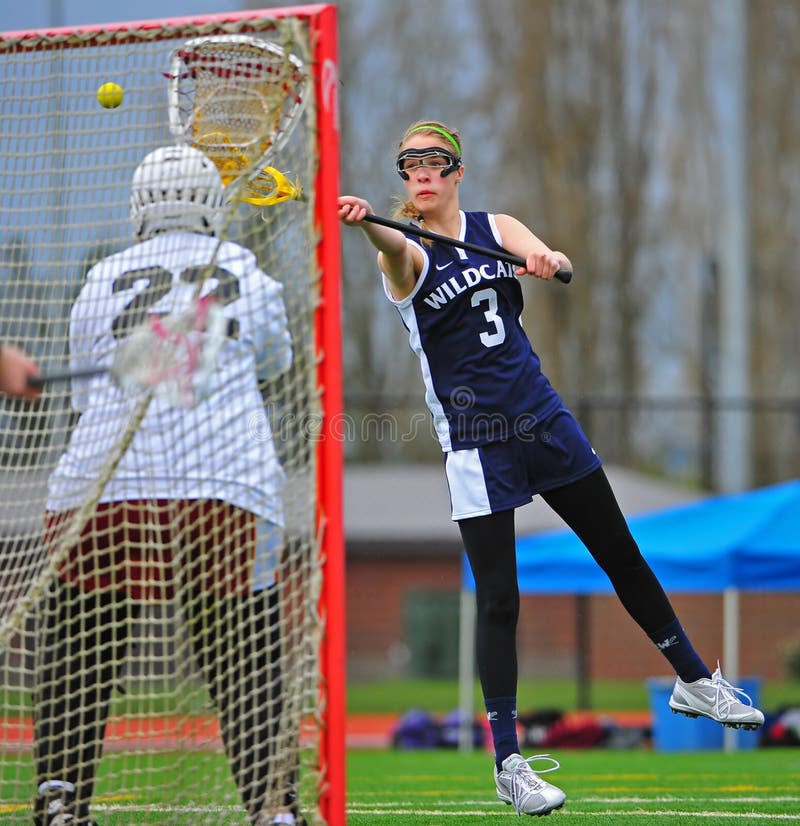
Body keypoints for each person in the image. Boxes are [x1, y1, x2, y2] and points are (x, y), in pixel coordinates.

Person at [338, 119, 765, 817]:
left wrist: (547, 259)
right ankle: (509, 762)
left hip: (543, 420)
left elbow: (545, 254)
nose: (421, 173)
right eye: (409, 164)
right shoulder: (407, 251)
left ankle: (694, 678)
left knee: (621, 553)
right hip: (477, 441)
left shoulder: (492, 225)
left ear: (457, 172)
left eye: (434, 162)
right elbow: (392, 255)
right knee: (499, 600)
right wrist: (366, 226)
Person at [34, 145, 302, 826]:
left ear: (139, 207)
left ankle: (60, 799)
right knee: (245, 653)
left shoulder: (100, 277)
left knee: (79, 643)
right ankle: (274, 809)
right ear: (212, 203)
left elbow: (86, 397)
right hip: (225, 479)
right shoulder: (246, 269)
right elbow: (276, 362)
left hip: (100, 484)